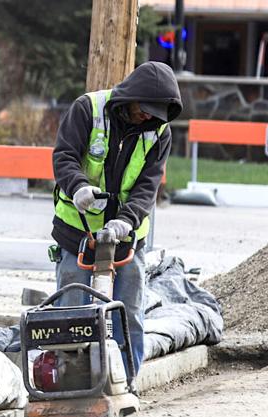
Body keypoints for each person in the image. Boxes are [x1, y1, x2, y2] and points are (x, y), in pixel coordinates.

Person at [50, 61, 182, 374]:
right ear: (130, 97)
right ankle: (69, 379)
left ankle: (127, 382)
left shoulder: (159, 133)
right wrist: (79, 187)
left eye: (155, 113)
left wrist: (127, 220)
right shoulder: (88, 109)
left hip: (126, 240)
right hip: (77, 232)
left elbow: (147, 185)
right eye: (145, 109)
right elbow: (64, 155)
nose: (148, 117)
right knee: (71, 309)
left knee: (129, 313)